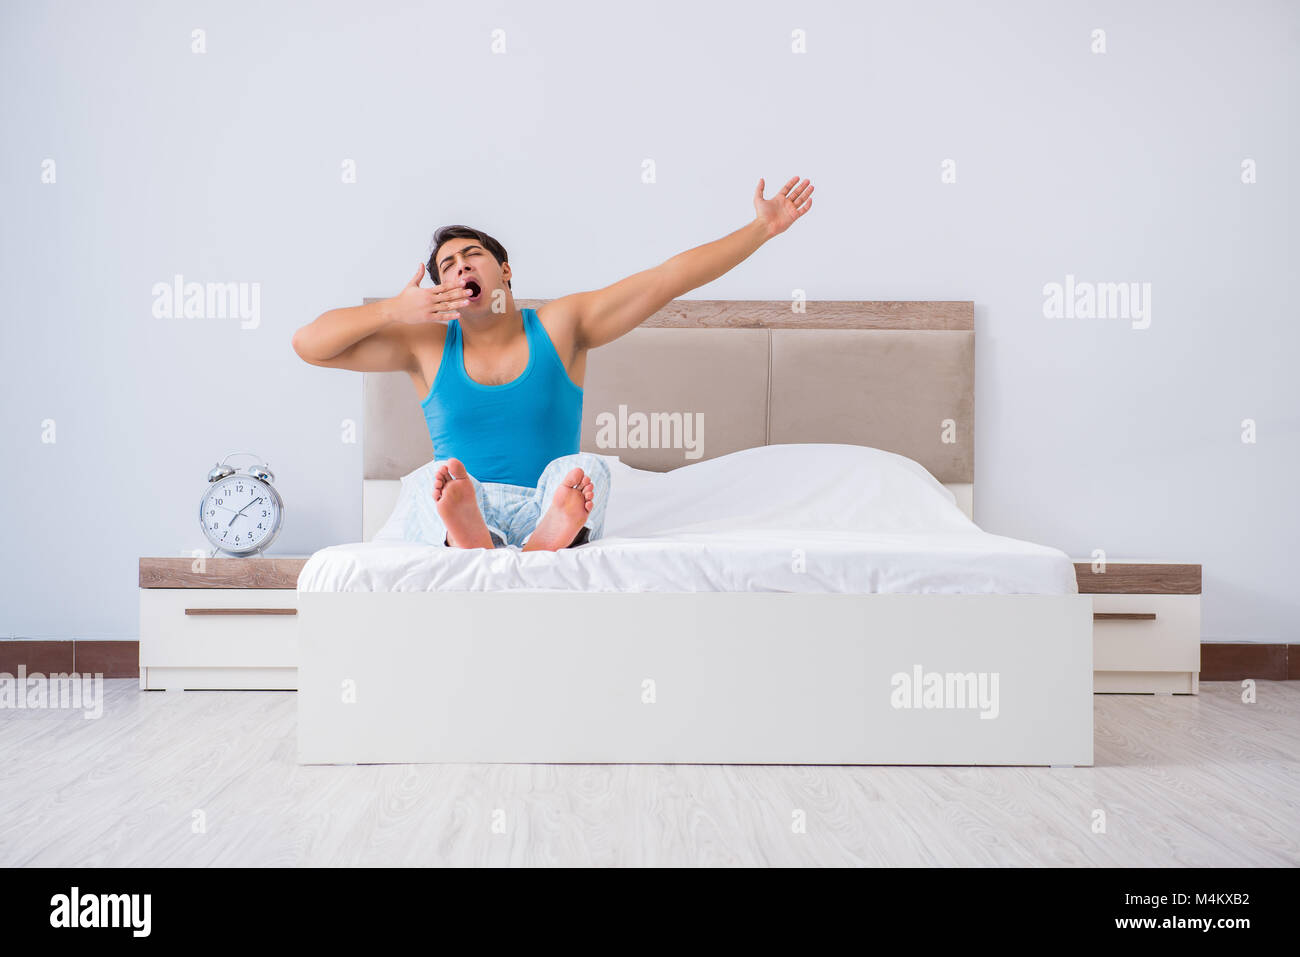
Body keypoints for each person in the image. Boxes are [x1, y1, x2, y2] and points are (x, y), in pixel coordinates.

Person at [292, 176, 814, 550]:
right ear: (441, 289)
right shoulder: (425, 346)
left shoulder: (562, 327)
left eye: (471, 255)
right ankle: (472, 534)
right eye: (446, 266)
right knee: (441, 478)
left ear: (504, 270)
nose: (460, 266)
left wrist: (760, 230)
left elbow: (667, 278)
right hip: (468, 495)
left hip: (550, 501)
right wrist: (391, 310)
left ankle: (535, 545)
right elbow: (308, 344)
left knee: (588, 469)